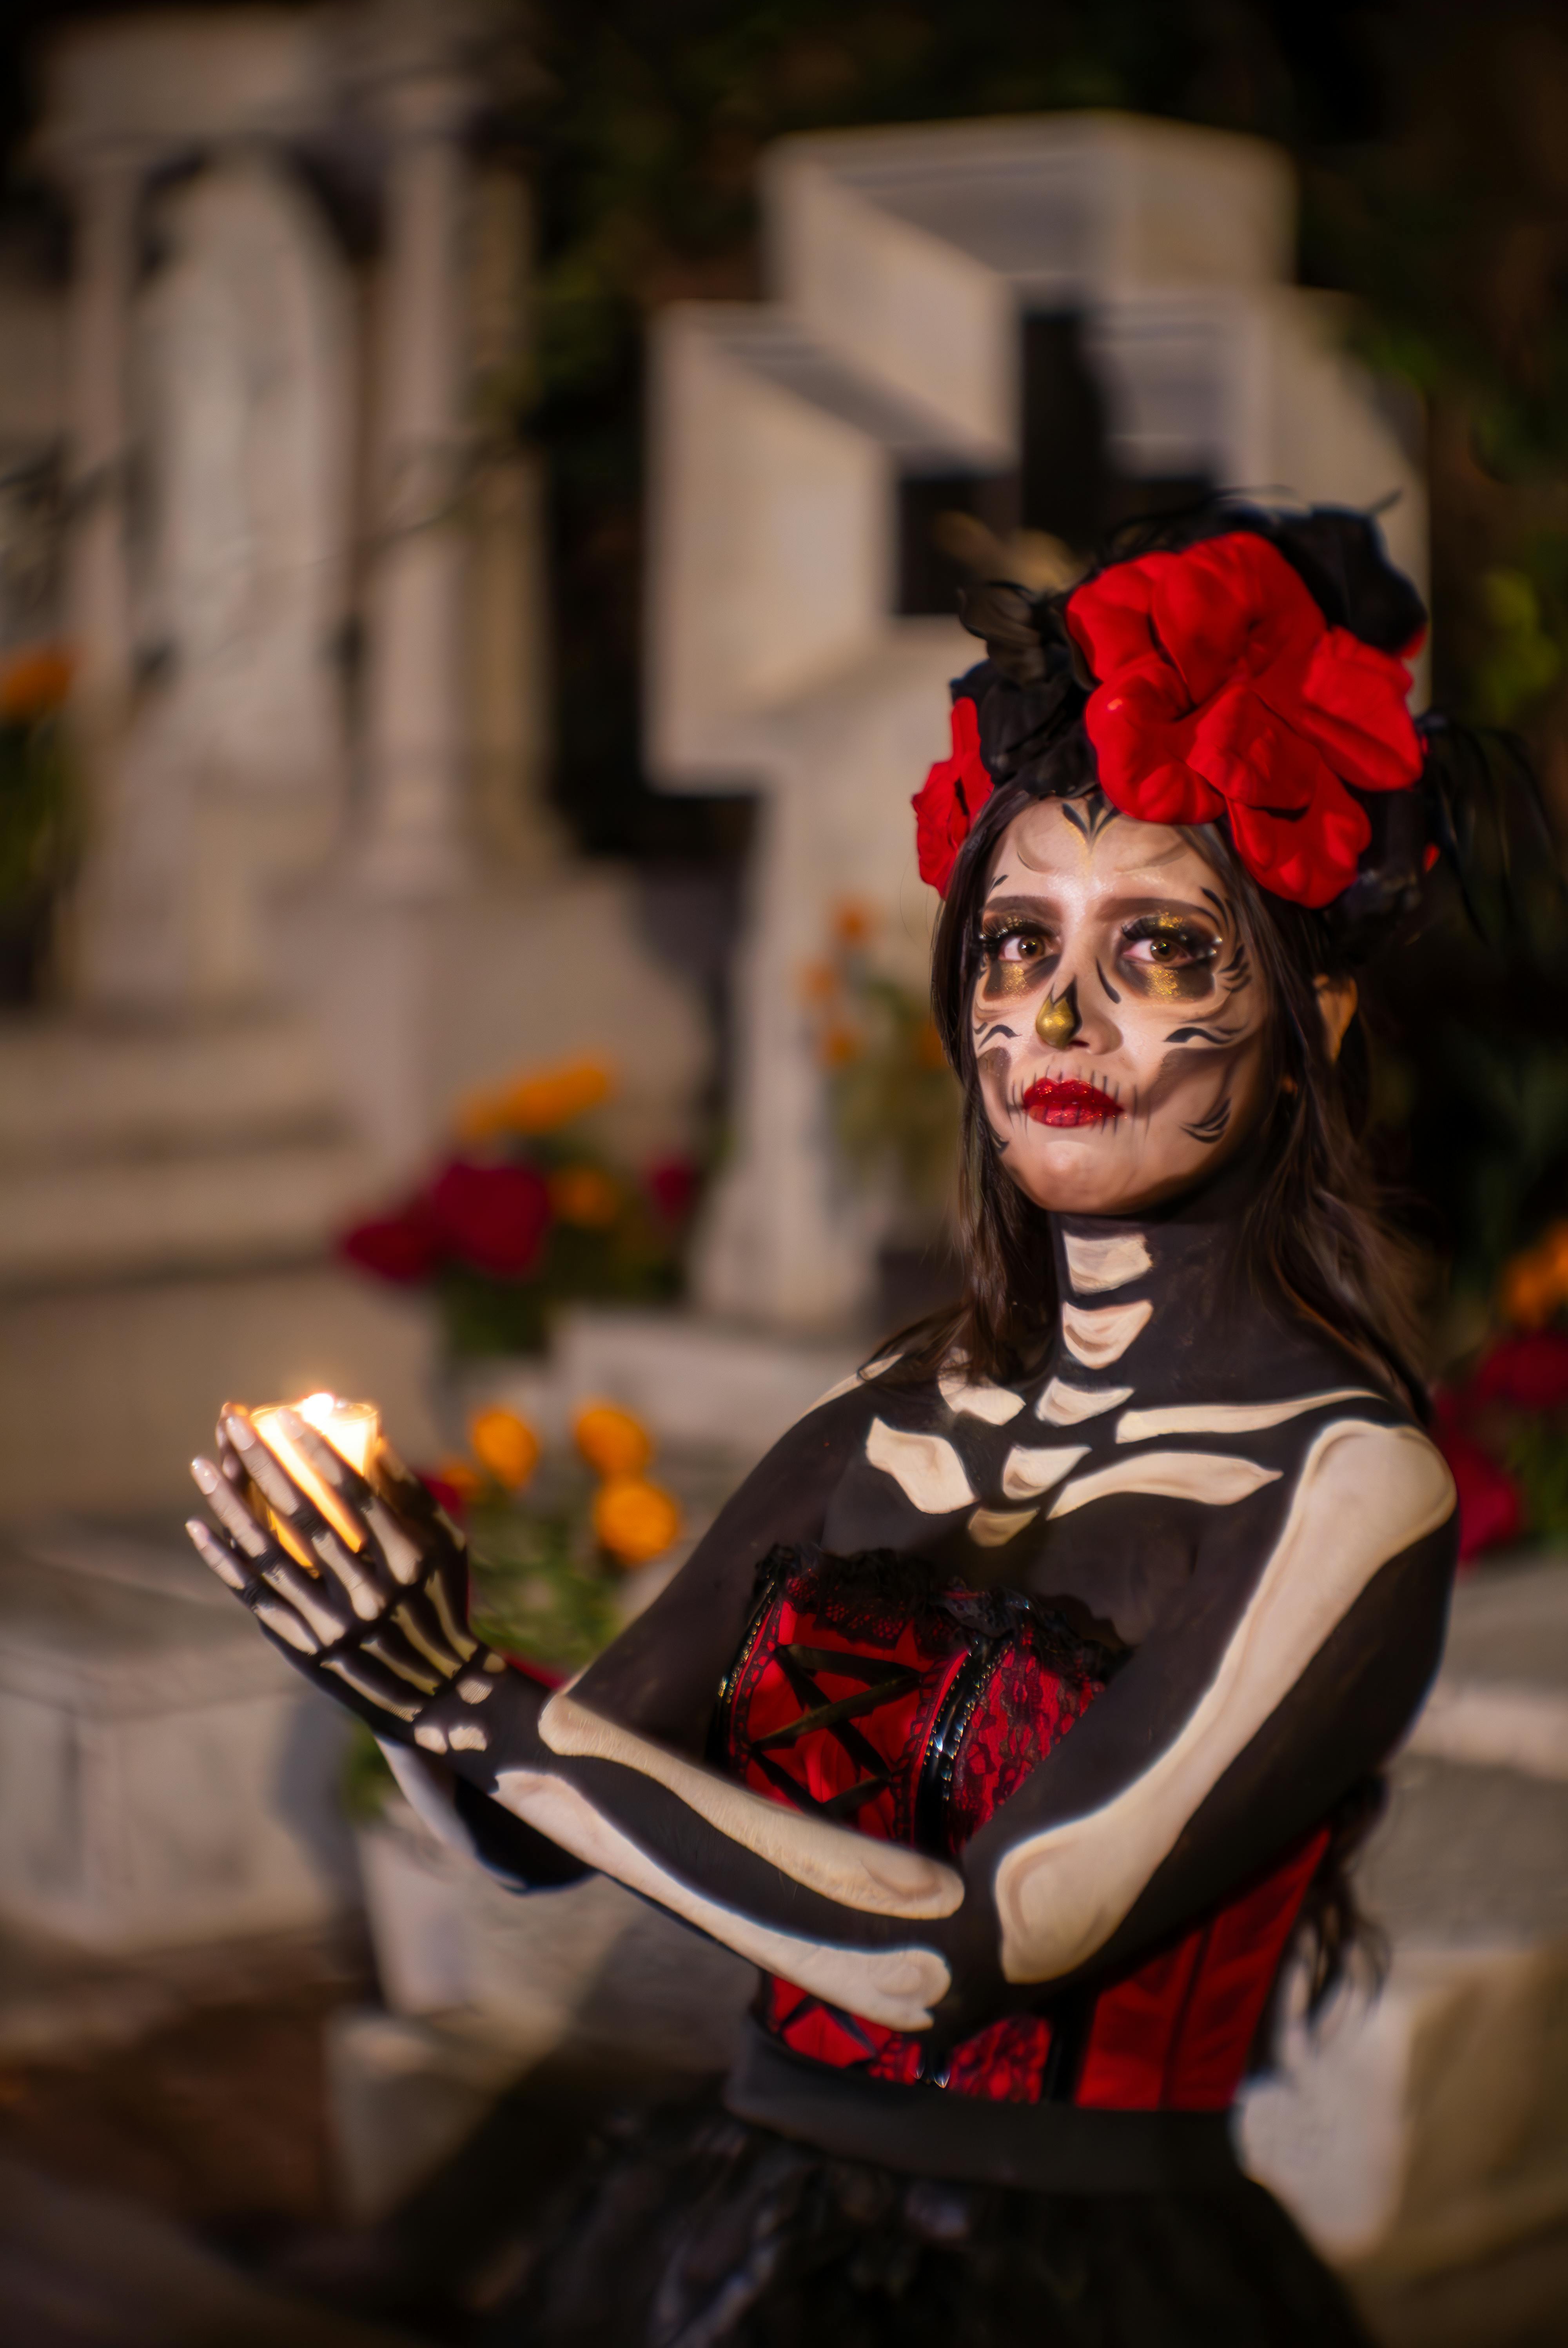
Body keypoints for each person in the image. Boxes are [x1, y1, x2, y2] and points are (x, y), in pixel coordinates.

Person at [190, 504, 1479, 2344]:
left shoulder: (1348, 1487)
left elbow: (959, 1951)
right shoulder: (890, 1409)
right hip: (740, 2217)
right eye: (1015, 942)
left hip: (1073, 2287)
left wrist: (462, 1700)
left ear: (1312, 1019)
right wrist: (392, 1666)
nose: (1059, 1012)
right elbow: (535, 1828)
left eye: (1158, 951)